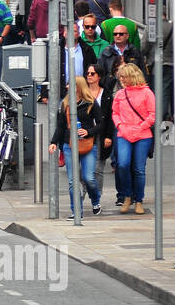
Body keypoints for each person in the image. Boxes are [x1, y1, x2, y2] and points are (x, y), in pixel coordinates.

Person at [49, 76, 103, 216]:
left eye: (70, 85)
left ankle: (95, 200)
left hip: (87, 144)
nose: (67, 87)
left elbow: (101, 124)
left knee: (88, 178)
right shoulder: (65, 104)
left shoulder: (91, 103)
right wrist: (54, 142)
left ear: (78, 87)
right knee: (73, 181)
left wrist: (88, 131)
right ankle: (76, 211)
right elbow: (60, 127)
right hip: (69, 145)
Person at [111, 63, 156, 214]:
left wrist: (140, 127)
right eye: (120, 77)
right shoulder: (120, 94)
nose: (121, 79)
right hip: (124, 133)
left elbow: (152, 115)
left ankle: (139, 200)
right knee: (122, 164)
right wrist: (120, 126)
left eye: (124, 76)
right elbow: (115, 113)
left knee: (138, 169)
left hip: (142, 135)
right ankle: (127, 196)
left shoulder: (147, 93)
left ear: (132, 76)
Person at [86, 64, 115, 206]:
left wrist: (109, 136)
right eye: (88, 73)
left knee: (98, 168)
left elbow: (110, 117)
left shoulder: (107, 95)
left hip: (101, 134)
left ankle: (96, 198)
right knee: (83, 168)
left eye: (92, 73)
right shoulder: (82, 93)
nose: (89, 76)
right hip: (85, 133)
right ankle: (86, 191)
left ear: (99, 76)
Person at [98, 22, 147, 93]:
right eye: (115, 34)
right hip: (111, 91)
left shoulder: (135, 52)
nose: (118, 36)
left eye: (121, 34)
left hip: (133, 91)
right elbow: (100, 75)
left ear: (127, 36)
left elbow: (143, 73)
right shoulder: (105, 52)